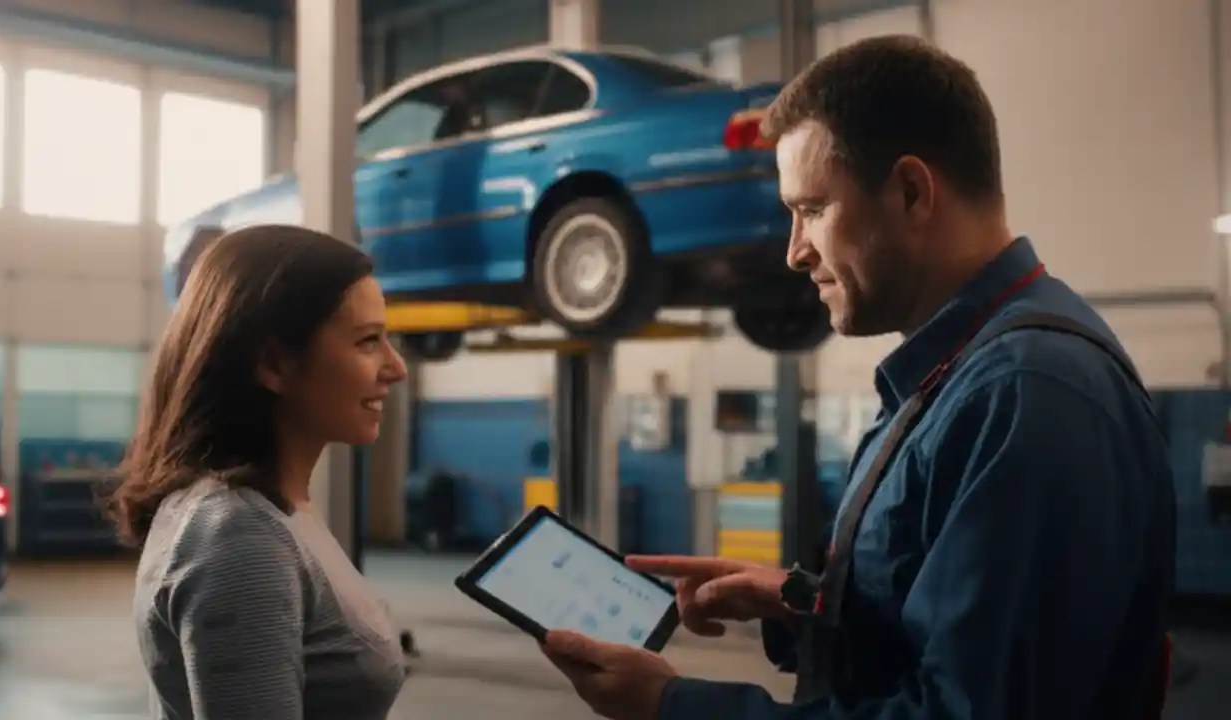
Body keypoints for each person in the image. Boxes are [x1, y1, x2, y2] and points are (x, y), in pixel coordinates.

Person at [539, 34, 1176, 720]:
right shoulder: (958, 372)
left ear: (910, 192)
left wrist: (675, 707)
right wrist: (804, 602)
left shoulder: (1025, 393)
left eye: (811, 209)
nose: (793, 252)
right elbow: (933, 617)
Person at [105, 224, 410, 719]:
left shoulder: (276, 510)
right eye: (368, 341)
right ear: (274, 364)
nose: (397, 367)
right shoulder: (239, 535)